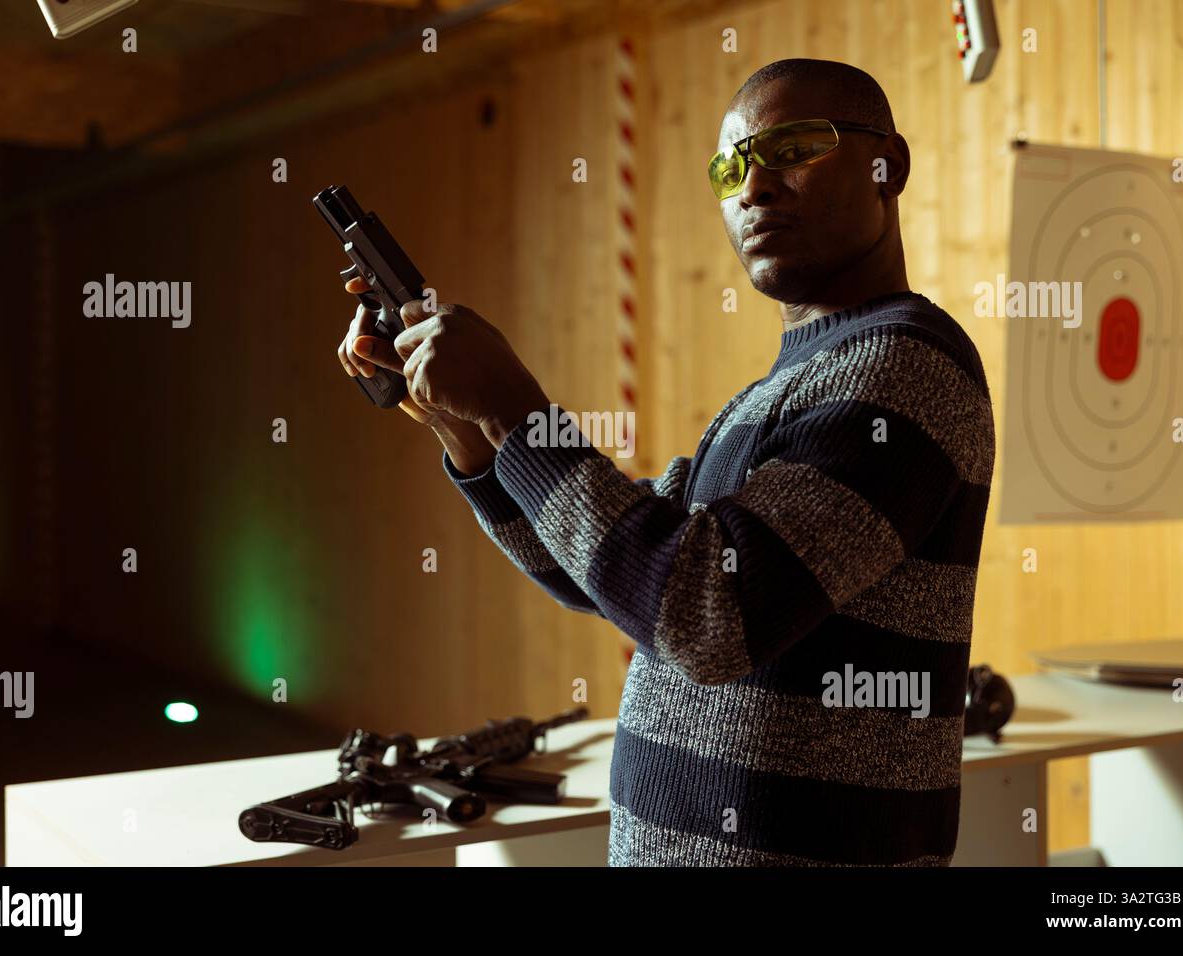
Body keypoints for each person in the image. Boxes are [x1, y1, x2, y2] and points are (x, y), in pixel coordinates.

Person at [336, 58, 995, 866]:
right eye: (730, 167)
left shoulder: (904, 367)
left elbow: (711, 619)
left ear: (887, 164)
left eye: (791, 149)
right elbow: (609, 573)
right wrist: (466, 428)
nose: (752, 187)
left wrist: (514, 405)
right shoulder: (782, 389)